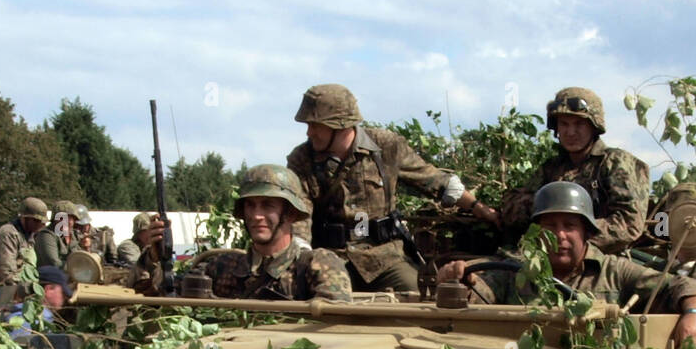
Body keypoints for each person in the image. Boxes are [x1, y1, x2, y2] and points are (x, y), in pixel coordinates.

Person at [438, 182, 696, 349]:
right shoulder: (515, 271)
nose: (560, 235)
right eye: (550, 226)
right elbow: (478, 293)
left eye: (570, 226)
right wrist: (457, 281)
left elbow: (686, 285)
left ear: (587, 233)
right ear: (536, 233)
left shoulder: (614, 272)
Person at [287, 84, 498, 293]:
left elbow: (433, 180)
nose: (309, 132)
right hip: (331, 259)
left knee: (417, 297)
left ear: (340, 125)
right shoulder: (302, 160)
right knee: (319, 300)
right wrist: (304, 258)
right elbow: (299, 216)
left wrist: (479, 208)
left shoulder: (385, 146)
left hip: (384, 259)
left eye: (316, 125)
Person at [501, 88, 650, 254]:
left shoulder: (615, 162)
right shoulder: (552, 167)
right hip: (551, 255)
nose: (570, 132)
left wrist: (577, 236)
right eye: (564, 124)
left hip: (603, 259)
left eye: (579, 124)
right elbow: (512, 207)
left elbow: (629, 224)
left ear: (594, 127)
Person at [185, 165, 352, 302]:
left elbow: (335, 324)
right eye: (250, 205)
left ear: (291, 213)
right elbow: (170, 304)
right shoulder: (221, 267)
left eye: (268, 205)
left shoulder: (317, 265)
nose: (256, 216)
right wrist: (158, 262)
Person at [0, 197, 49, 284]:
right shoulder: (8, 233)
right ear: (24, 218)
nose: (41, 224)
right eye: (36, 220)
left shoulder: (32, 235)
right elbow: (7, 273)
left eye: (42, 221)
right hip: (10, 289)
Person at [33, 199, 77, 269]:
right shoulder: (46, 235)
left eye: (69, 218)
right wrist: (77, 267)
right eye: (61, 218)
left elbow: (79, 256)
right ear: (54, 219)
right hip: (49, 277)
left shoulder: (72, 235)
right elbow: (54, 263)